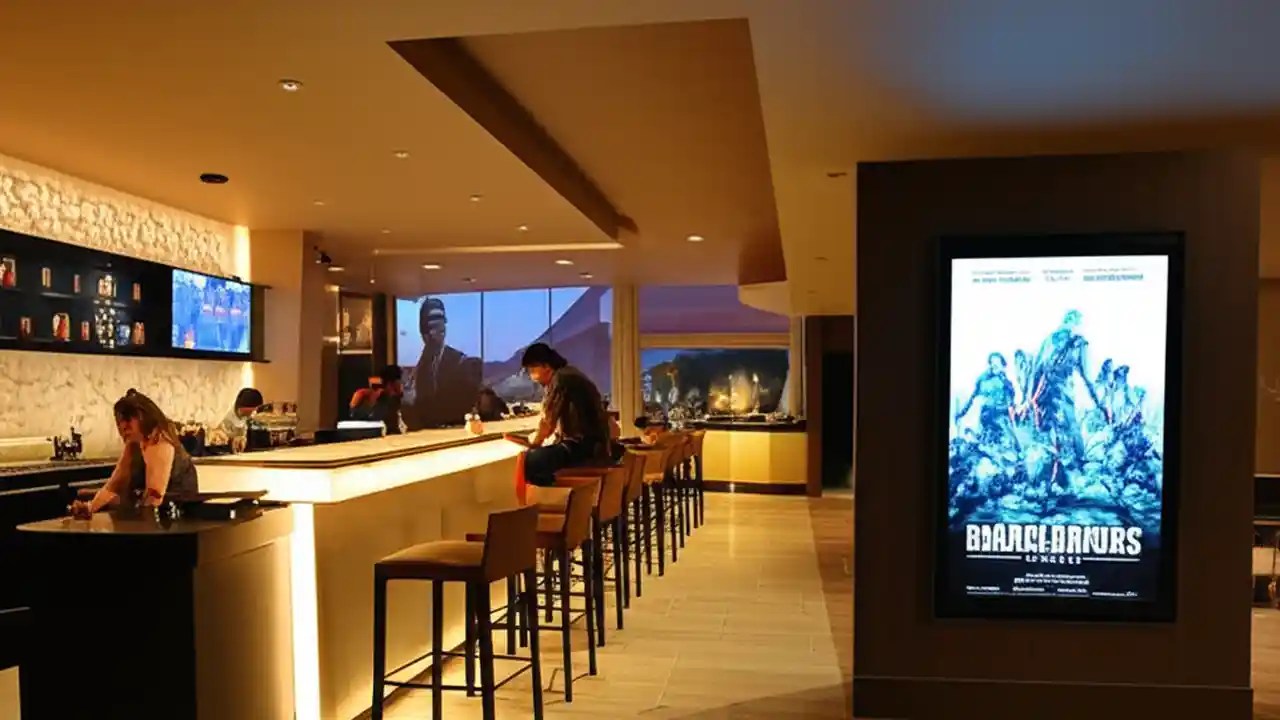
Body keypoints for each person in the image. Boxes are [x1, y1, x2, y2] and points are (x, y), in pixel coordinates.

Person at [70, 390, 198, 517]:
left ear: (142, 417)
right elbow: (114, 485)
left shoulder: (160, 441)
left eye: (128, 419)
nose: (123, 427)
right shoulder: (135, 442)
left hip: (176, 512)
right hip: (151, 510)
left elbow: (154, 496)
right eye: (120, 422)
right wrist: (90, 507)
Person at [503, 343, 611, 488]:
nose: (531, 376)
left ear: (546, 366)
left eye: (532, 369)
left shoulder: (560, 379)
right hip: (597, 446)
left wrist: (534, 443)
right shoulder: (571, 373)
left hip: (582, 448)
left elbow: (547, 423)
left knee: (529, 461)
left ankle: (547, 502)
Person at [406, 297, 481, 429]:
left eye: (440, 326)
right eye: (432, 327)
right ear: (424, 333)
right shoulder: (422, 366)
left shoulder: (460, 362)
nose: (437, 333)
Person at [351, 365, 405, 435]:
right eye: (399, 383)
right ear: (390, 384)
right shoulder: (362, 395)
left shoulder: (395, 401)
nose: (401, 385)